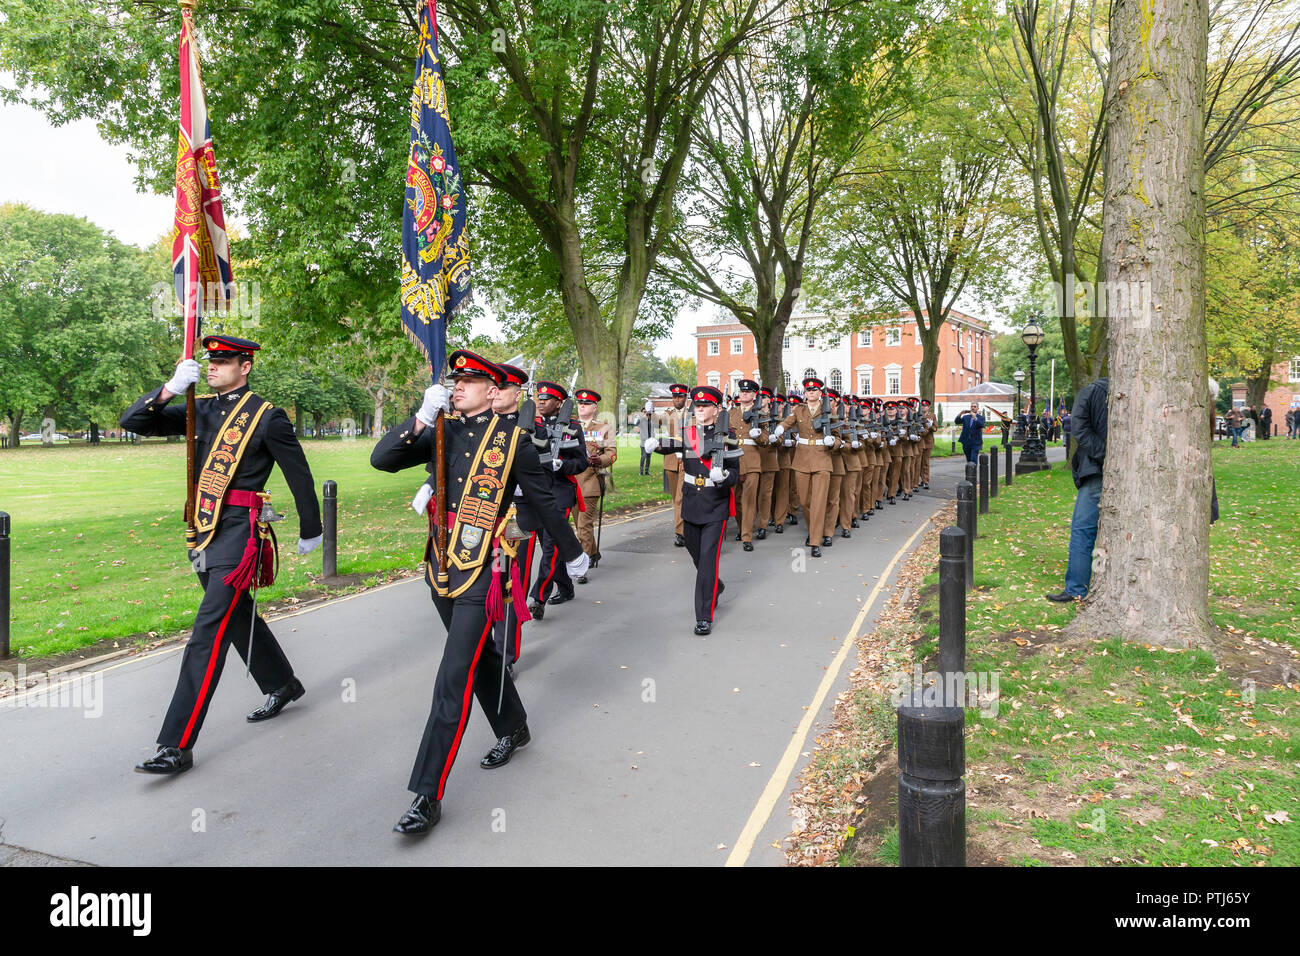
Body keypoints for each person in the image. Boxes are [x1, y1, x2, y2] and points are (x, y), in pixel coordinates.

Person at [370, 349, 589, 835]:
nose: (457, 387)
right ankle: (514, 725)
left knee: (452, 676)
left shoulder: (514, 440)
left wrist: (572, 553)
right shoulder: (441, 430)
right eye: (455, 380)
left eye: (468, 381)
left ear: (493, 391)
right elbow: (382, 459)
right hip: (441, 565)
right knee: (481, 659)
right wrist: (423, 416)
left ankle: (427, 793)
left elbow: (542, 501)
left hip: (482, 571)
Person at [121, 335, 322, 775]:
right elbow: (133, 421)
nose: (212, 367)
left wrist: (312, 527)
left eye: (223, 361)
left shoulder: (268, 418)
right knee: (235, 617)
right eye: (210, 361)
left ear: (245, 366)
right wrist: (171, 388)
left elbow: (298, 473)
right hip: (201, 531)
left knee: (206, 634)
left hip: (239, 536)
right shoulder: (199, 409)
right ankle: (282, 683)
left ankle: (176, 744)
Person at [643, 386, 740, 634]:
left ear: (716, 409)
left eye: (705, 406)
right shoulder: (688, 433)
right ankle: (714, 585)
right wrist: (656, 444)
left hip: (715, 504)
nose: (699, 409)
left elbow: (736, 474)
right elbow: (673, 446)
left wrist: (725, 475)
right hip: (691, 503)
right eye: (697, 405)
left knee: (708, 560)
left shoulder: (728, 435)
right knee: (695, 552)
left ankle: (703, 615)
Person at [521, 381, 589, 617]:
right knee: (552, 544)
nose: (541, 402)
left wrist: (563, 465)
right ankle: (566, 586)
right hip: (535, 492)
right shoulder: (532, 425)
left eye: (547, 399)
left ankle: (538, 597)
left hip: (560, 491)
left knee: (550, 546)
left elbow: (581, 462)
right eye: (539, 398)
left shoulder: (572, 427)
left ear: (559, 403)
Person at [1046, 377, 1108, 603]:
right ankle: (1077, 586)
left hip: (1097, 470)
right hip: (1101, 466)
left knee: (1083, 529)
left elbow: (1079, 429)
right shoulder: (1096, 390)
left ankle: (1076, 588)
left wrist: (1106, 455)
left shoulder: (1093, 390)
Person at [774, 377, 840, 556]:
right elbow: (787, 422)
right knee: (805, 501)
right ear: (805, 393)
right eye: (808, 390)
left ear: (820, 392)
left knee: (819, 502)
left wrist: (832, 441)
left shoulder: (828, 411)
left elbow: (839, 436)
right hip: (802, 459)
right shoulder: (799, 410)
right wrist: (779, 429)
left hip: (822, 458)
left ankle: (815, 541)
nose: (811, 392)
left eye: (815, 390)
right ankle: (815, 530)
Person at [573, 387, 616, 575]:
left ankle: (583, 562)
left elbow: (612, 453)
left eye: (586, 403)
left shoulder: (603, 428)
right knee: (578, 524)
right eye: (580, 403)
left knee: (583, 525)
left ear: (594, 407)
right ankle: (593, 552)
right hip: (570, 481)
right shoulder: (569, 425)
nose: (582, 406)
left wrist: (602, 460)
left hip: (590, 480)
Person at [727, 379, 768, 551]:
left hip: (752, 461)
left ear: (754, 395)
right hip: (734, 459)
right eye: (742, 391)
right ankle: (743, 527)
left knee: (749, 500)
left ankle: (746, 536)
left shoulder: (761, 414)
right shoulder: (731, 413)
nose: (744, 394)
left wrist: (758, 435)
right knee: (736, 501)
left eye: (748, 392)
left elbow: (766, 440)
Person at [657, 384, 690, 547]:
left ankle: (680, 532)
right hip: (671, 460)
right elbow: (654, 421)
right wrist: (648, 414)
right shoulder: (667, 414)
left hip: (686, 460)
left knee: (681, 498)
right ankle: (682, 527)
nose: (677, 399)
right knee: (675, 499)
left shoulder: (692, 414)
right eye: (675, 397)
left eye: (680, 396)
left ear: (686, 398)